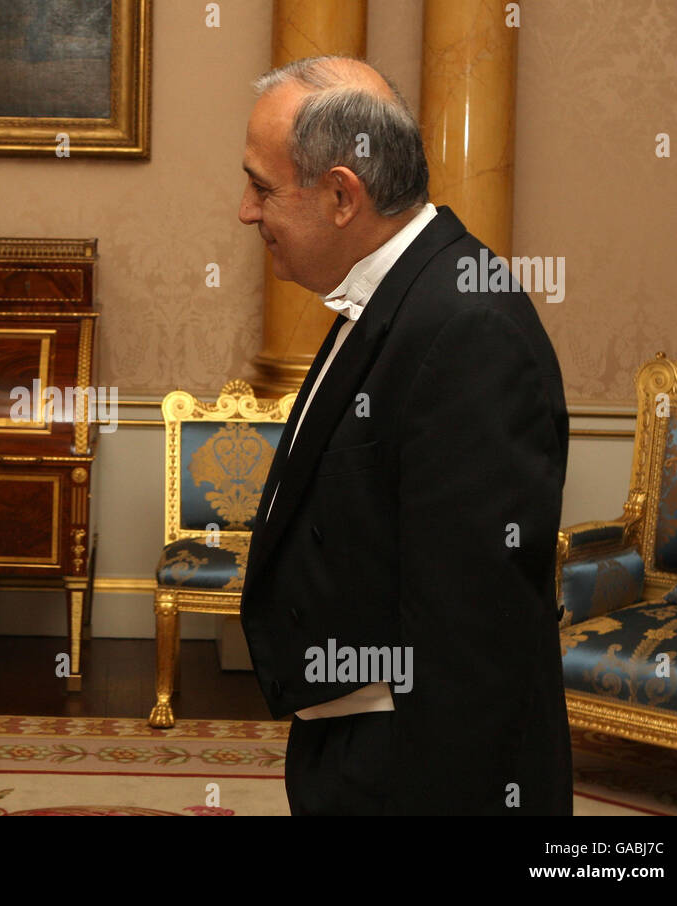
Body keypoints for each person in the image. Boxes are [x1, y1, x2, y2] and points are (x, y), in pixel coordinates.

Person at [236, 56, 573, 815]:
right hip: (359, 741)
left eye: (261, 187)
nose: (246, 211)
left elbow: (473, 641)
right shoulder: (405, 290)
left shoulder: (469, 329)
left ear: (341, 195)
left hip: (415, 770)